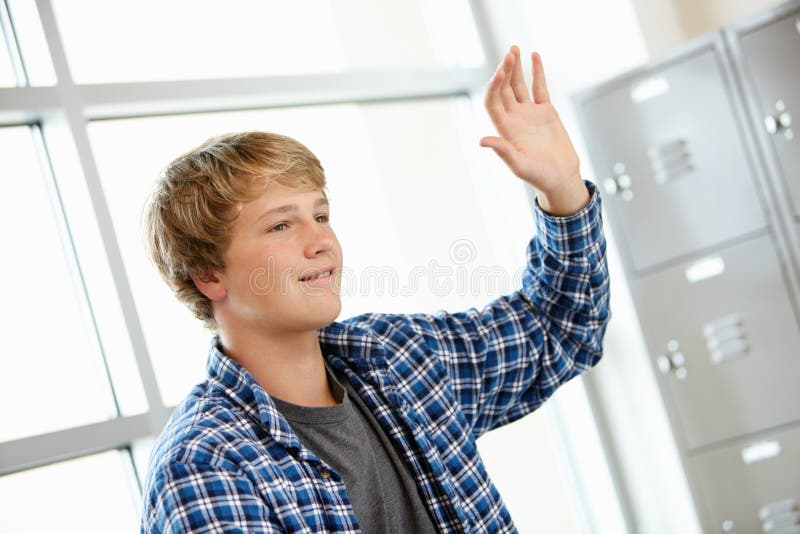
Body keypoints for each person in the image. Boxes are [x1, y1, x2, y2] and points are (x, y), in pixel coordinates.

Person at [140, 44, 610, 533]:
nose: (322, 240)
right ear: (208, 275)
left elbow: (560, 328)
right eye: (282, 226)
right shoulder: (204, 467)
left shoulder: (396, 358)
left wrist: (562, 188)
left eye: (321, 216)